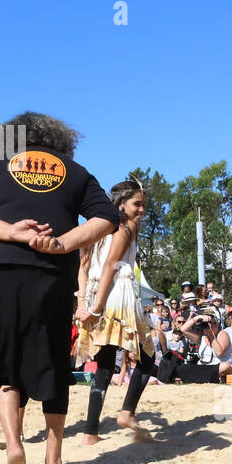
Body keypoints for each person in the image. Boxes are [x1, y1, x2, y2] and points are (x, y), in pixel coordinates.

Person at [0, 111, 120, 464]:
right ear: (60, 141)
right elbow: (107, 217)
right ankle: (54, 460)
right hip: (52, 277)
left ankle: (14, 444)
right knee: (54, 361)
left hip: (1, 272)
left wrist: (13, 232)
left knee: (3, 364)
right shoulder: (74, 172)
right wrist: (61, 243)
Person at [74, 179, 156, 445]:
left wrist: (84, 303)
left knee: (105, 362)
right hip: (117, 295)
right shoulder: (126, 227)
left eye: (143, 204)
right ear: (121, 204)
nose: (142, 210)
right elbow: (110, 265)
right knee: (147, 356)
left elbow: (83, 269)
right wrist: (95, 307)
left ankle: (90, 431)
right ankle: (127, 412)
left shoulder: (94, 229)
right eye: (137, 204)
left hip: (97, 295)